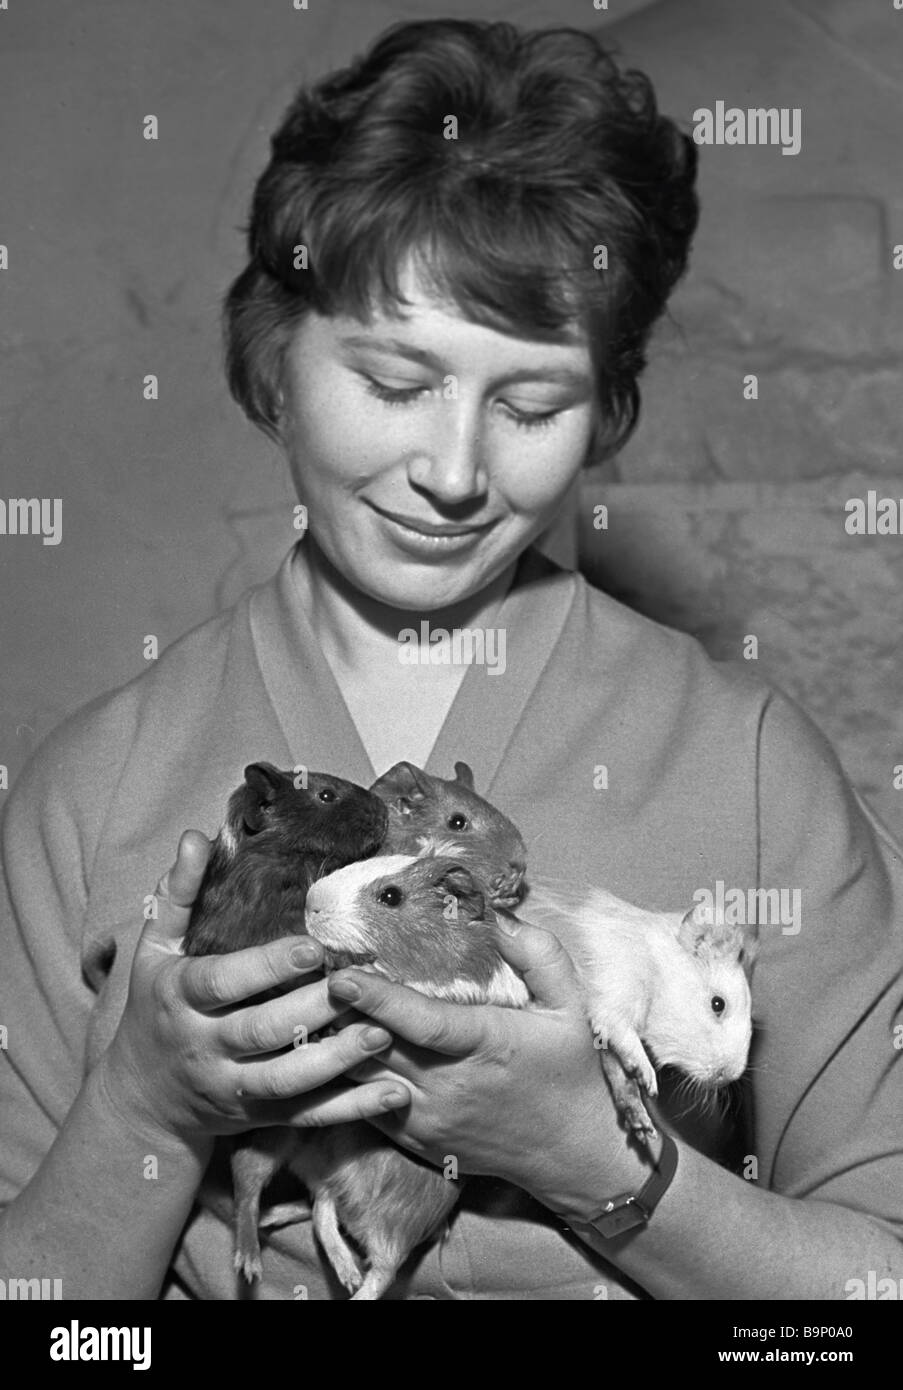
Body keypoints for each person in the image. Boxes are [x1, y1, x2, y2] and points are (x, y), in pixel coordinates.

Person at [0, 18, 900, 1302]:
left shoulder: (751, 772)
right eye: (393, 379)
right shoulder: (93, 794)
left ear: (608, 408)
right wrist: (143, 1114)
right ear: (274, 360)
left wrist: (606, 1164)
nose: (457, 471)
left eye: (531, 405)